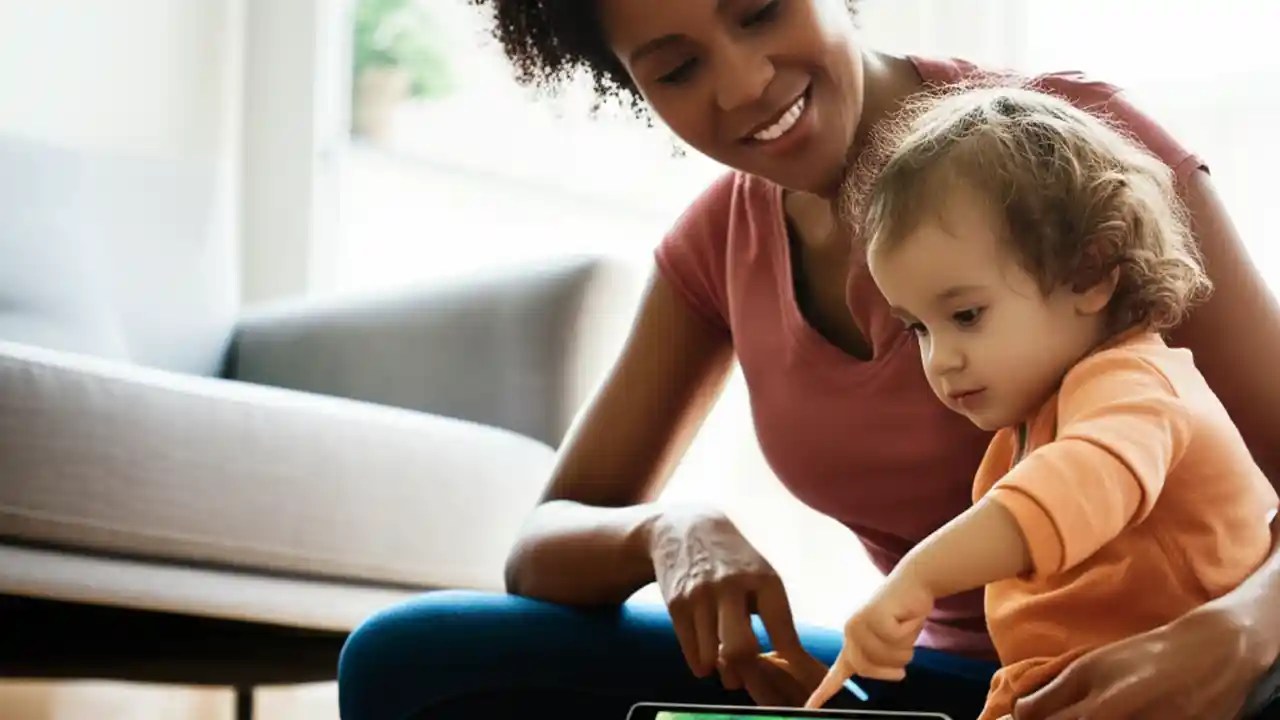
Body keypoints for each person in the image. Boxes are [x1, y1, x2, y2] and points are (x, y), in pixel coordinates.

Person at [337, 2, 1280, 718]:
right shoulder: (719, 246)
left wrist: (1239, 633)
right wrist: (671, 530)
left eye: (760, 10)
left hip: (1208, 651)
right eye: (675, 68)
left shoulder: (1069, 152)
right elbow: (541, 547)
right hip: (963, 684)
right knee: (416, 659)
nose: (745, 82)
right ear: (632, 88)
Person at [798, 85, 1278, 719]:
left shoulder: (1136, 386)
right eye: (918, 327)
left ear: (1093, 272)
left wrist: (919, 574)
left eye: (966, 314)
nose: (939, 359)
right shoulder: (1022, 438)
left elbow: (1070, 489)